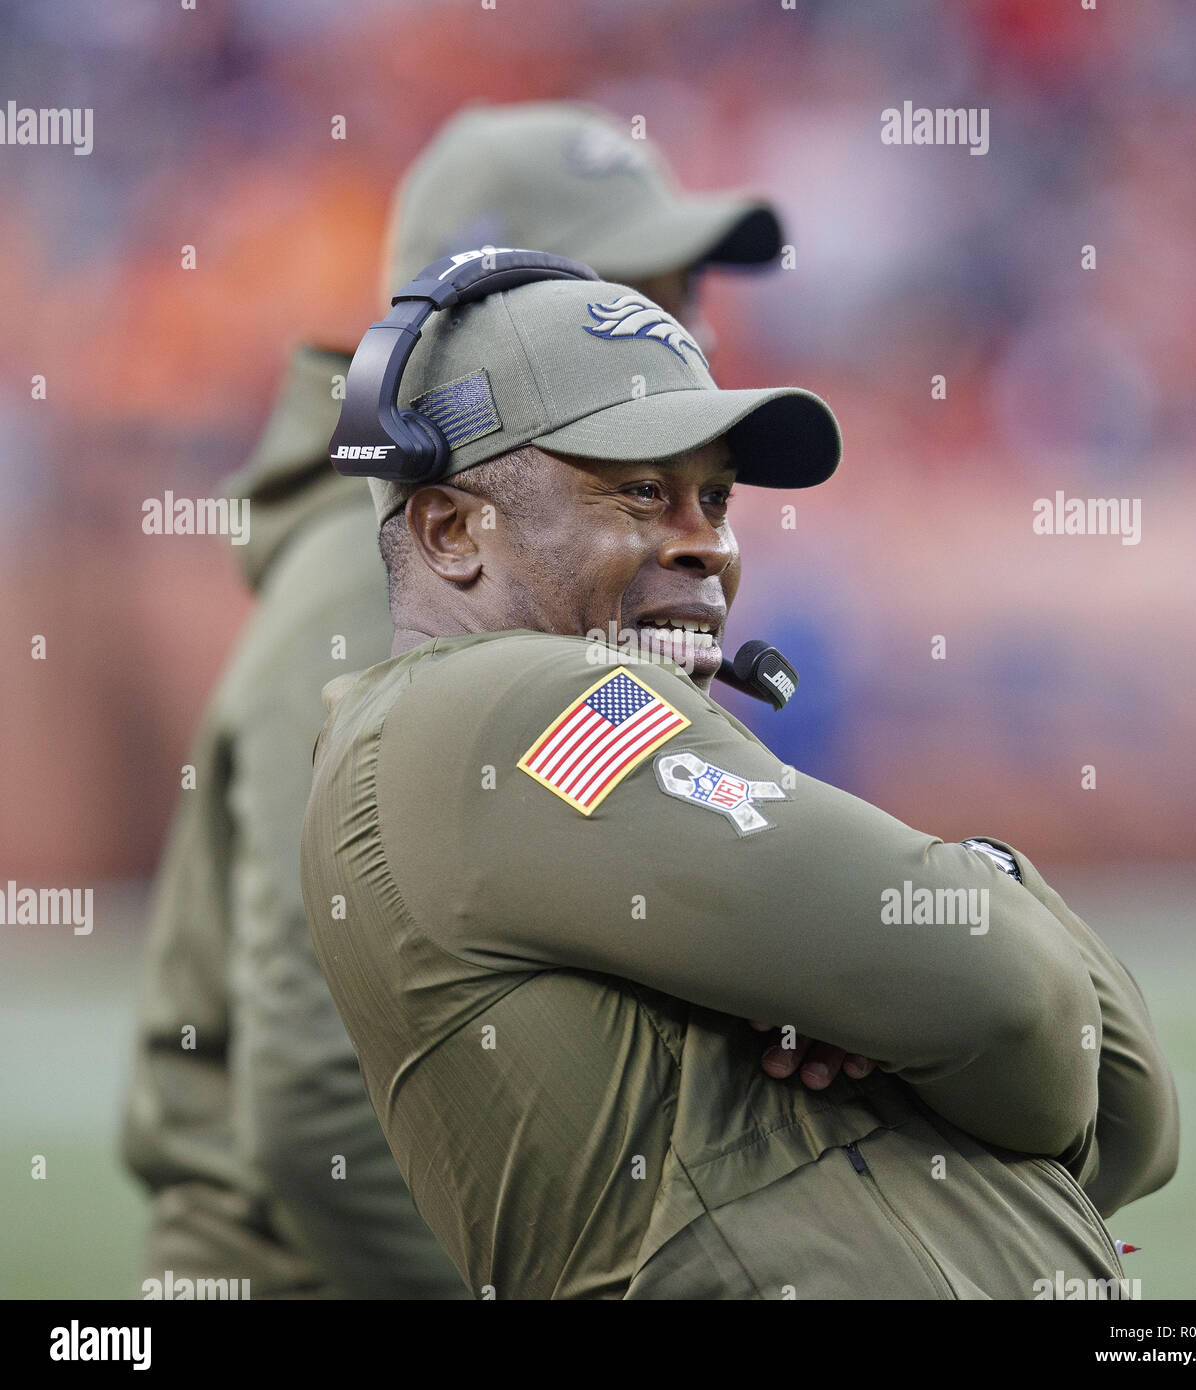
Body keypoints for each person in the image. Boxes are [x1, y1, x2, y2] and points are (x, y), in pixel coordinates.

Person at [301, 265, 1179, 1299]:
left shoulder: (541, 724)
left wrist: (974, 887)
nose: (707, 543)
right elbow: (1011, 1002)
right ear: (452, 532)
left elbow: (1135, 1124)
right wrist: (963, 941)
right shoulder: (513, 705)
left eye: (714, 496)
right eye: (639, 490)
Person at [119, 101, 785, 1299]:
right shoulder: (377, 575)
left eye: (687, 296)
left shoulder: (489, 554)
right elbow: (321, 1083)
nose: (691, 337)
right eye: (642, 296)